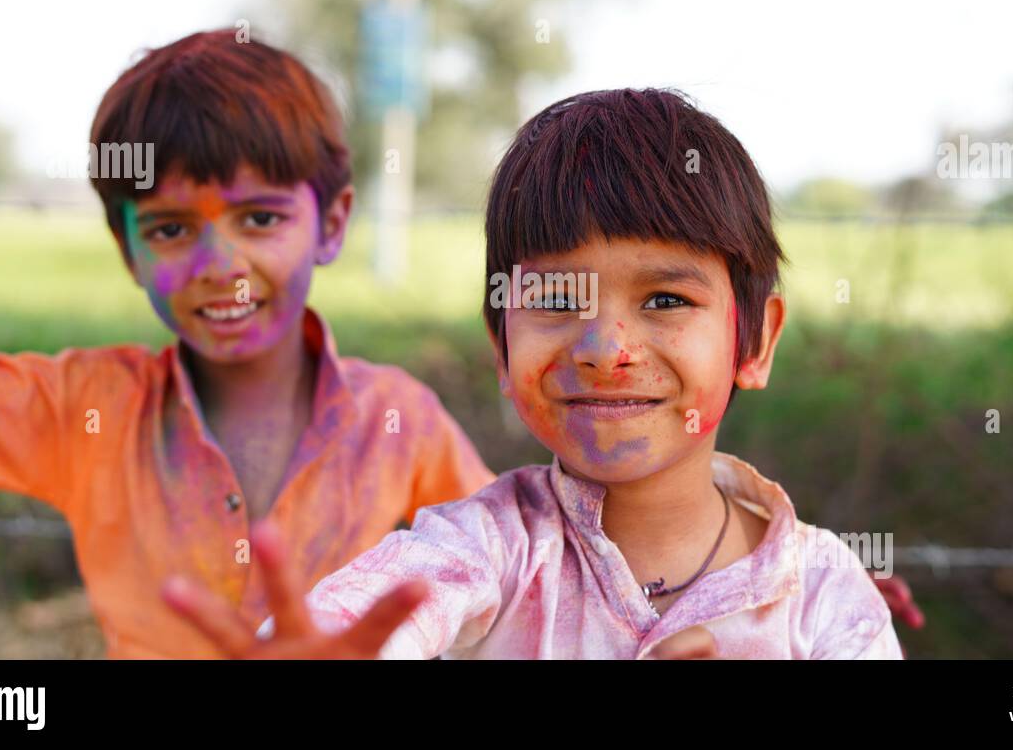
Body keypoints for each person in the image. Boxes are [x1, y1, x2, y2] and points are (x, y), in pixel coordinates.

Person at [165, 88, 909, 659]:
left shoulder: (821, 595)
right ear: (501, 341)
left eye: (665, 299)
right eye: (556, 299)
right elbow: (360, 623)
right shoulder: (484, 550)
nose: (604, 347)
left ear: (756, 339)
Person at [0, 0, 491, 658]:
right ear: (129, 251)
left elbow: (506, 583)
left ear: (331, 223)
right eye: (171, 228)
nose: (219, 264)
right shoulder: (88, 411)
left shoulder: (402, 423)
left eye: (260, 217)